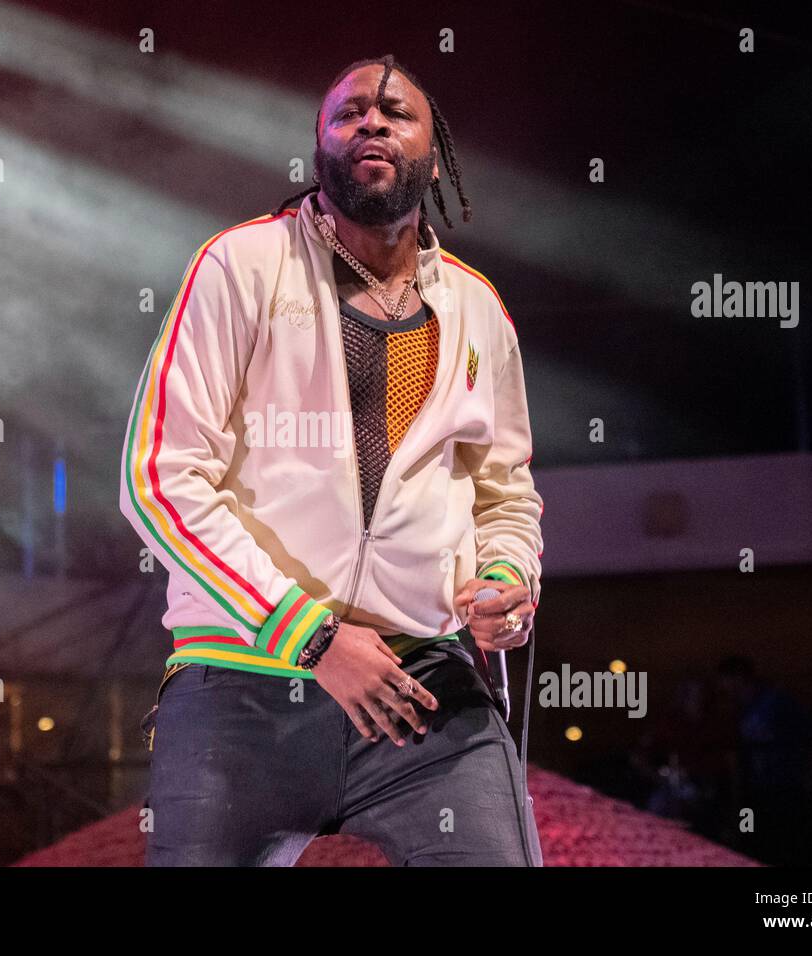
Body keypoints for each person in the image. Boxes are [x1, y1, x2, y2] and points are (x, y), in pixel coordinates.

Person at [119, 54, 546, 866]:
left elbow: (504, 492)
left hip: (422, 682)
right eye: (349, 112)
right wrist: (310, 637)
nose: (373, 122)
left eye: (396, 112)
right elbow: (160, 476)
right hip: (242, 684)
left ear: (434, 147)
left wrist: (505, 578)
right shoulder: (241, 266)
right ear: (319, 143)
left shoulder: (478, 309)